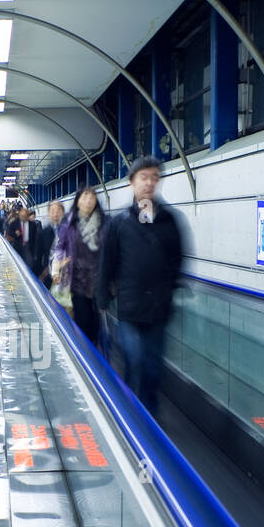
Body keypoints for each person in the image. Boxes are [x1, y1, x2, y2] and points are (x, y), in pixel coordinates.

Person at [96, 156, 186, 411]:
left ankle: (149, 417)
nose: (149, 183)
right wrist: (102, 297)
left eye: (154, 178)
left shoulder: (169, 220)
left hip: (159, 309)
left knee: (153, 368)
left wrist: (168, 288)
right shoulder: (119, 223)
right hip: (130, 309)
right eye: (143, 178)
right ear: (131, 183)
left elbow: (178, 258)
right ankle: (130, 411)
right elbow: (107, 262)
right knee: (134, 359)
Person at [56, 188, 106, 345]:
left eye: (92, 197)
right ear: (77, 201)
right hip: (77, 282)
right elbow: (60, 246)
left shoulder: (105, 222)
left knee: (97, 325)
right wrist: (59, 263)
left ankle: (95, 355)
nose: (89, 200)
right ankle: (86, 355)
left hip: (99, 281)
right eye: (85, 196)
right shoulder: (69, 223)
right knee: (83, 323)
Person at [30, 202, 60, 283]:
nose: (56, 213)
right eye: (53, 211)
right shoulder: (43, 234)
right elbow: (38, 257)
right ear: (49, 213)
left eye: (58, 210)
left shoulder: (70, 231)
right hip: (49, 275)